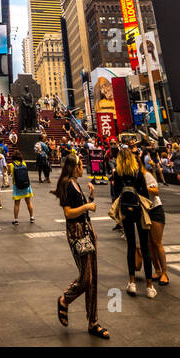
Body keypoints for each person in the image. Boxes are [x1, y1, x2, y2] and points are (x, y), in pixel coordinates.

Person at [54, 154, 109, 339]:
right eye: (80, 164)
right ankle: (65, 299)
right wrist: (88, 207)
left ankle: (93, 321)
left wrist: (90, 197)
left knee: (93, 279)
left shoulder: (76, 184)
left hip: (87, 231)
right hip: (77, 233)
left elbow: (83, 206)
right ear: (73, 166)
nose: (82, 166)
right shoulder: (67, 185)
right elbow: (68, 213)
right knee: (86, 278)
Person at [111, 145, 155, 297]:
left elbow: (116, 193)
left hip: (125, 210)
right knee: (145, 247)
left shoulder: (117, 174)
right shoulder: (138, 173)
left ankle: (132, 282)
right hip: (139, 209)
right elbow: (144, 192)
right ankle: (149, 286)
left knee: (130, 245)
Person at [143, 159, 168, 284]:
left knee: (157, 243)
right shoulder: (134, 177)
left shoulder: (147, 175)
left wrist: (143, 188)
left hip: (155, 210)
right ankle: (157, 270)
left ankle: (164, 273)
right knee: (149, 244)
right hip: (145, 211)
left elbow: (156, 191)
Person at [10, 148, 35, 224]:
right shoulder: (24, 163)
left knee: (17, 204)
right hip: (26, 185)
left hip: (17, 185)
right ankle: (31, 217)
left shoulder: (11, 165)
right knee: (28, 202)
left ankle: (16, 219)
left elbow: (10, 174)